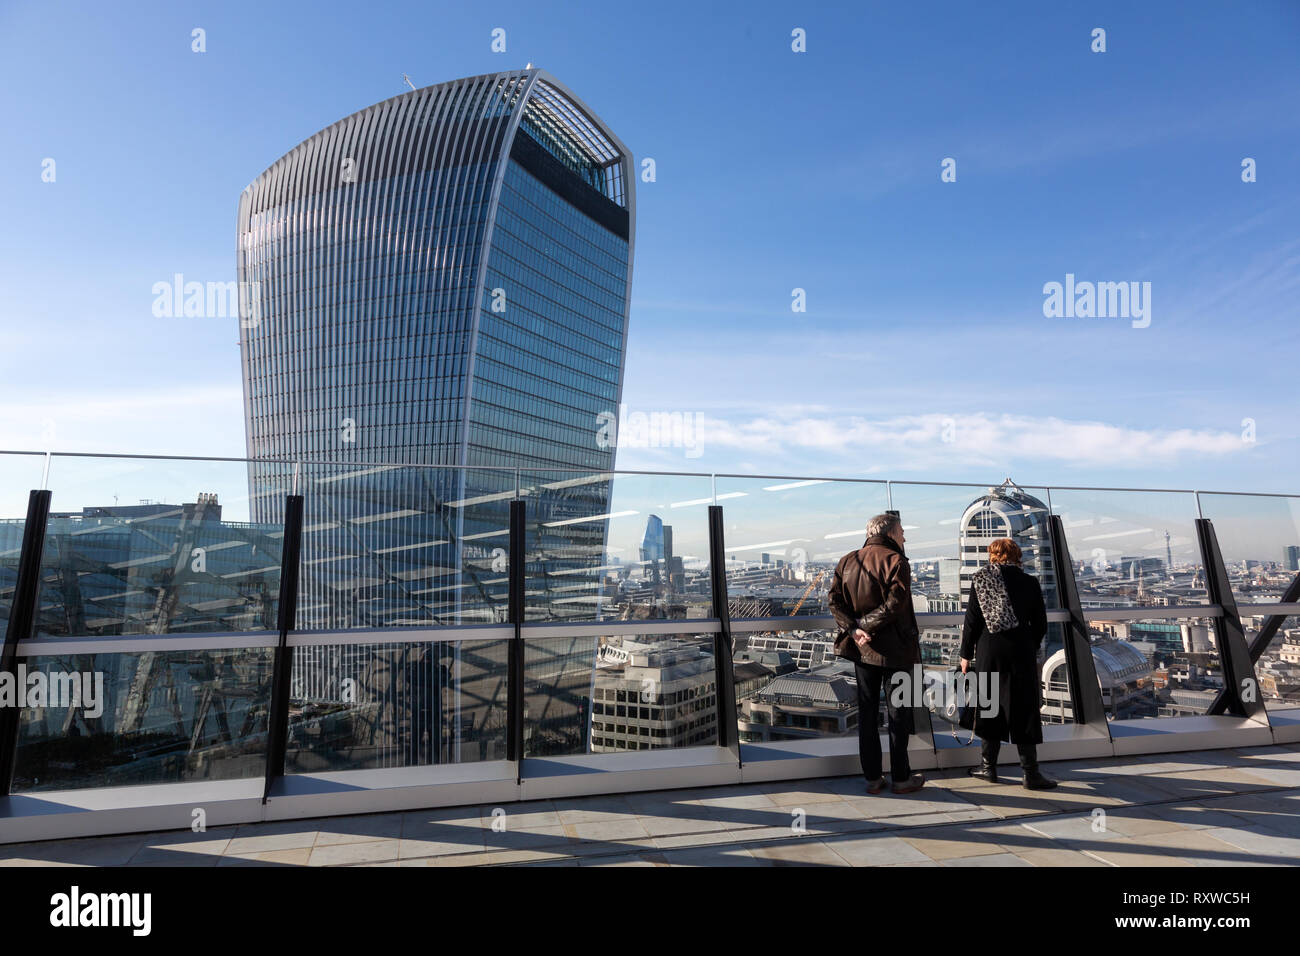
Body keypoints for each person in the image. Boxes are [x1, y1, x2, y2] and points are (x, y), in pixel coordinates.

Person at [829, 513, 925, 795]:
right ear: (893, 533)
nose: (905, 537)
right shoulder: (897, 561)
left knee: (867, 715)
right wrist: (865, 625)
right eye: (903, 531)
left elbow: (833, 601)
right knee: (899, 715)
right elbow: (896, 603)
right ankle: (901, 778)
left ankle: (872, 778)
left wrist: (855, 630)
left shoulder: (848, 560)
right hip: (896, 651)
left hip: (862, 651)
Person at [959, 537, 1057, 790]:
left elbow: (972, 623)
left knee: (990, 707)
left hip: (990, 651)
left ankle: (988, 768)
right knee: (1024, 709)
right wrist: (1028, 645)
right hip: (1020, 652)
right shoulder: (1029, 582)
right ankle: (1031, 773)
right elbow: (1041, 624)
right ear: (1016, 556)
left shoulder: (981, 579)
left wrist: (965, 655)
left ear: (993, 555)